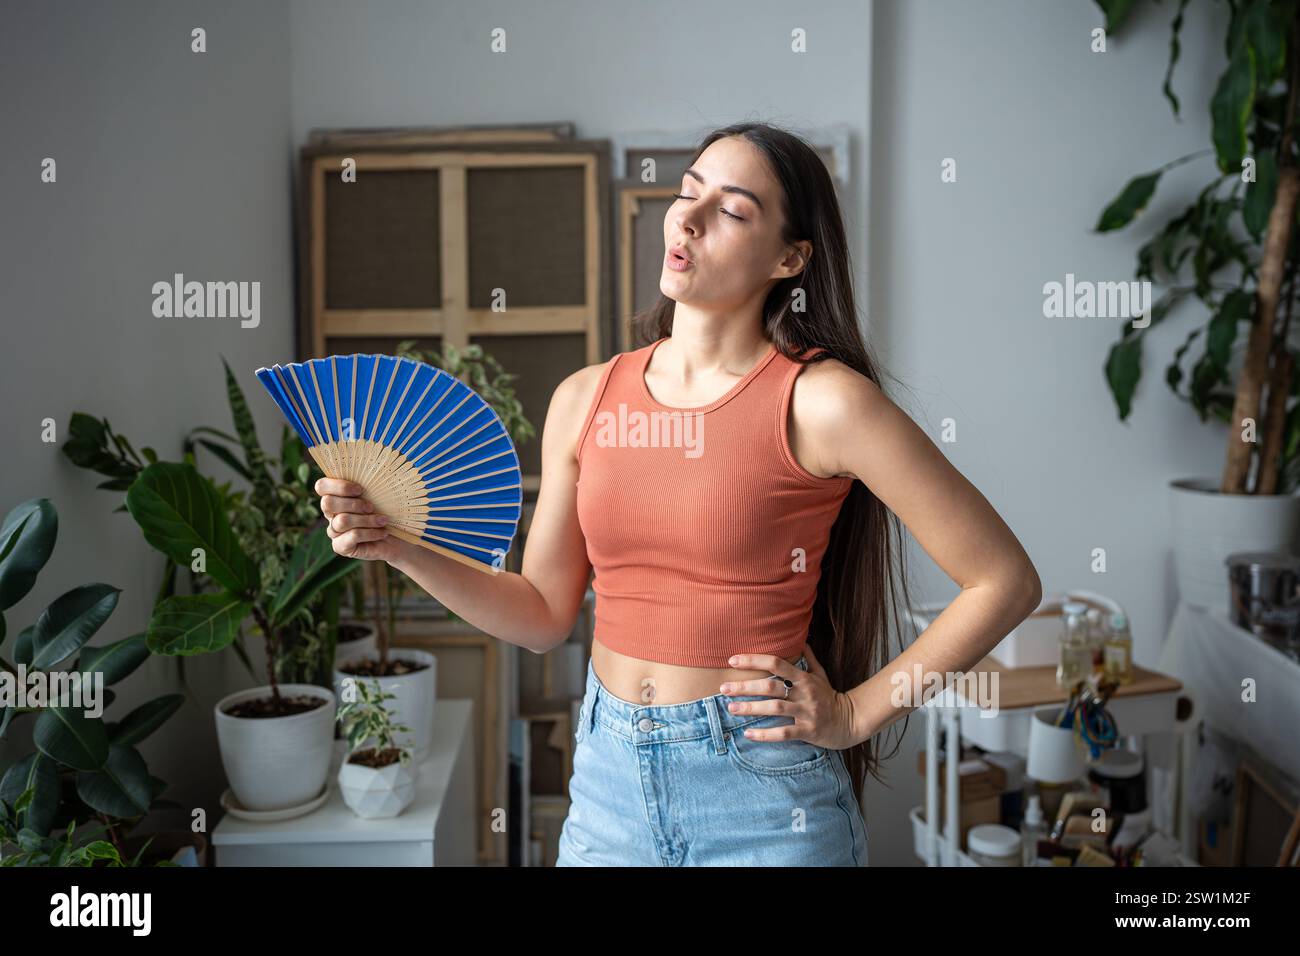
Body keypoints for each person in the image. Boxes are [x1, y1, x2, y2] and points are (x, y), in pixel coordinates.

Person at [315, 121, 1042, 866]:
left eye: (730, 210)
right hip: (607, 791)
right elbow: (539, 615)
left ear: (790, 258)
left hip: (762, 799)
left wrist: (854, 713)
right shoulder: (584, 399)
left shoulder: (823, 403)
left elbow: (1004, 581)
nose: (688, 219)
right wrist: (397, 549)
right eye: (687, 192)